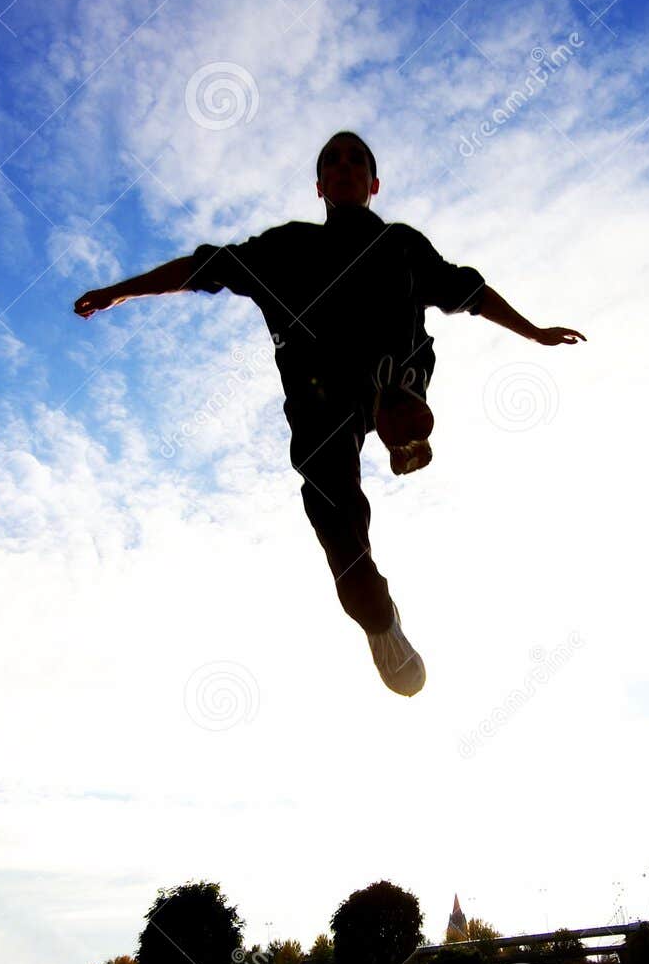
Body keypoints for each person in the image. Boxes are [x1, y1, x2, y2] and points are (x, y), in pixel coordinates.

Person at [75, 131, 585, 696]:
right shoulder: (285, 247)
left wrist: (532, 332)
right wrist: (120, 291)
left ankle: (396, 400)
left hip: (387, 369)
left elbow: (467, 291)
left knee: (397, 295)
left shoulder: (402, 244)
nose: (344, 166)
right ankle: (379, 618)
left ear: (373, 183)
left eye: (356, 160)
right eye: (332, 162)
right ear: (320, 186)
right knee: (333, 514)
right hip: (320, 400)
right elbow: (205, 268)